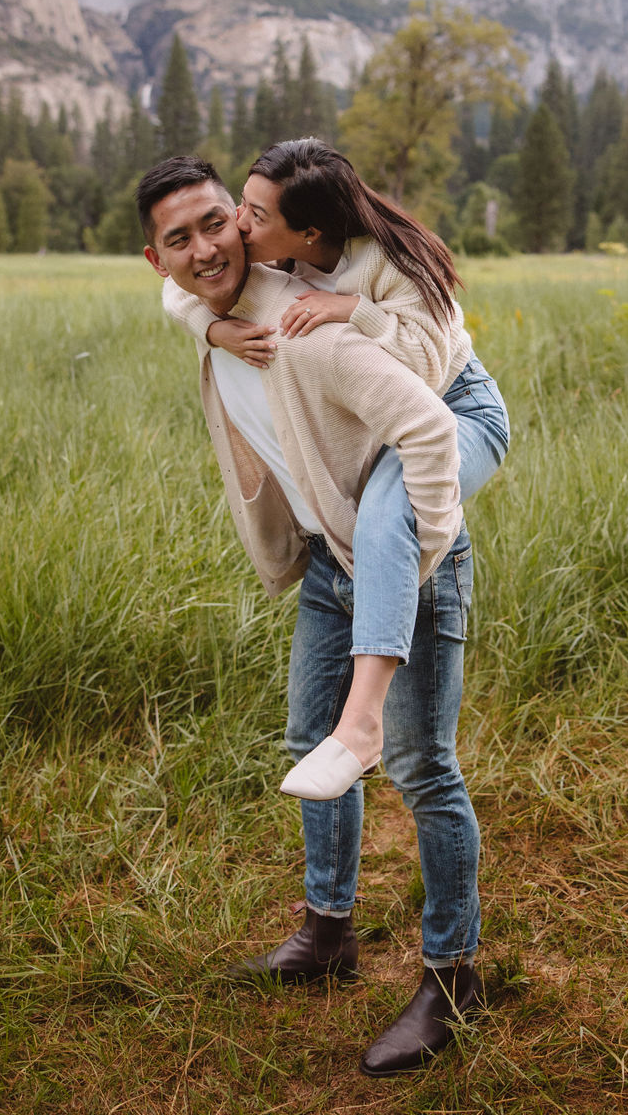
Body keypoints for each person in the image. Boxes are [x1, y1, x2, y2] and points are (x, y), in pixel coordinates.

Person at [138, 155, 484, 1077]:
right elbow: (188, 300)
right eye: (184, 239)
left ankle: (452, 977)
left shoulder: (309, 317)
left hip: (407, 559)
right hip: (334, 563)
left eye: (225, 222)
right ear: (155, 259)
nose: (213, 246)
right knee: (305, 742)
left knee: (422, 770)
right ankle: (328, 932)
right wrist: (211, 331)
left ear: (258, 228)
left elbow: (433, 423)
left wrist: (425, 555)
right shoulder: (208, 307)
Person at [162, 138, 509, 801]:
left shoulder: (386, 262)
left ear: (308, 231)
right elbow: (176, 292)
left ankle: (362, 723)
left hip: (459, 404)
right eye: (245, 206)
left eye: (254, 218)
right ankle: (332, 884)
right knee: (376, 513)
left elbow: (427, 370)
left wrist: (353, 312)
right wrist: (214, 330)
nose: (236, 227)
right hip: (400, 415)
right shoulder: (282, 255)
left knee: (385, 515)